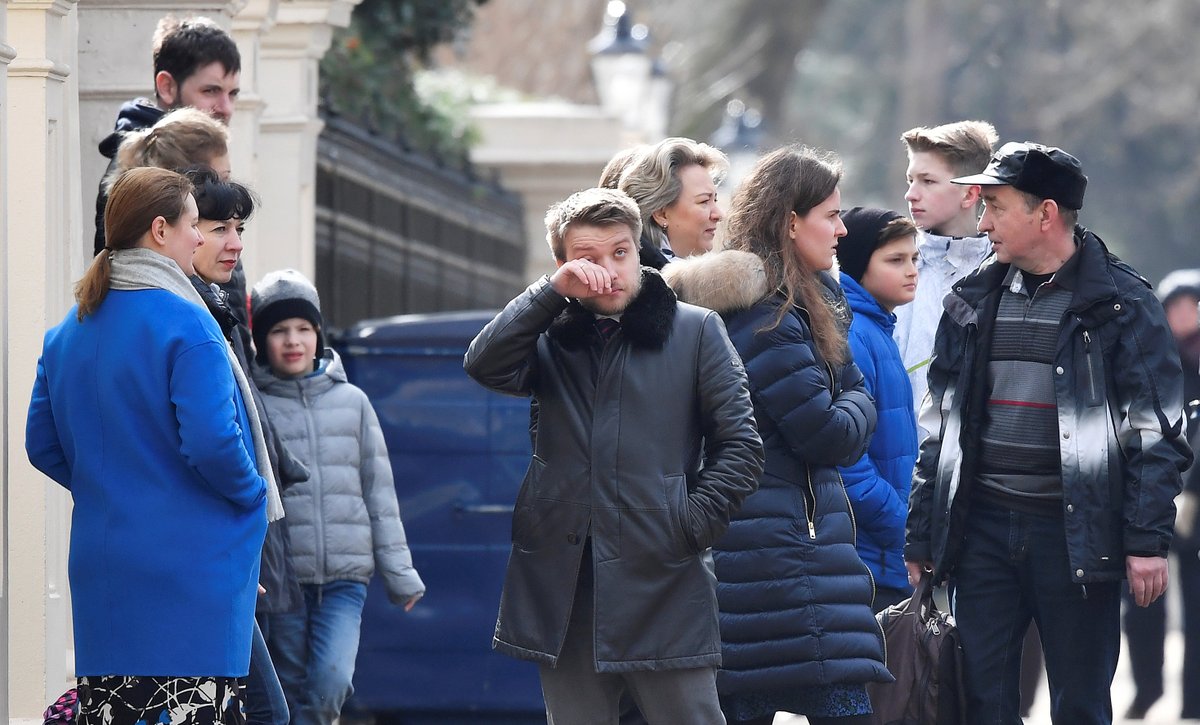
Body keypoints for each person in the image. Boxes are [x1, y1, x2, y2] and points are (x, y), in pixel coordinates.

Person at [904, 142, 1193, 724]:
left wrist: (1145, 540)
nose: (981, 222)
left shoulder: (1122, 304)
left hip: (1078, 537)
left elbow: (1157, 434)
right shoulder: (972, 300)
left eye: (995, 206)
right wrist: (922, 534)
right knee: (981, 701)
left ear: (1047, 213)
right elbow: (938, 429)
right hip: (980, 531)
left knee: (1081, 705)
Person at [463, 187, 763, 724]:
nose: (609, 270)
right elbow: (484, 364)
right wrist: (550, 293)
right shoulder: (552, 334)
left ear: (637, 250)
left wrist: (685, 526)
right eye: (588, 258)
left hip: (663, 577)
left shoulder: (695, 330)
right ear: (563, 264)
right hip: (564, 579)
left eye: (620, 253)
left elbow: (740, 446)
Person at [25, 166, 268, 724]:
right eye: (193, 226)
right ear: (160, 230)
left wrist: (112, 483)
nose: (201, 239)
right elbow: (212, 443)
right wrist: (254, 494)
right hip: (191, 568)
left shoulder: (68, 330)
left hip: (102, 568)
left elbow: (43, 444)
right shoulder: (190, 323)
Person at [663, 146, 891, 725]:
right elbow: (830, 435)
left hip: (776, 559)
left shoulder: (797, 304)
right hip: (783, 565)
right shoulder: (771, 317)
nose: (841, 229)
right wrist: (861, 393)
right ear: (791, 221)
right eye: (830, 215)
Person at [252, 269, 425, 725]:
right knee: (287, 687)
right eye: (279, 330)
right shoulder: (255, 405)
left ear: (318, 334)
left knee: (332, 681)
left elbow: (379, 492)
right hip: (284, 580)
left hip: (346, 579)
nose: (293, 340)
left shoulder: (353, 402)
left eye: (304, 329)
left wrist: (400, 573)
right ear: (261, 341)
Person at [186, 167, 305, 725]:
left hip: (209, 548)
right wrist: (236, 529)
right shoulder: (186, 316)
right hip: (199, 551)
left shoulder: (211, 303)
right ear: (176, 230)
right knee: (262, 710)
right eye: (217, 227)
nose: (235, 243)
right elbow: (210, 444)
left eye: (239, 227)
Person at [1121, 269, 1200, 720]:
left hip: (1197, 509)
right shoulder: (1153, 356)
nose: (1182, 315)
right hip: (1152, 498)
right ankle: (1146, 689)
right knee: (1143, 604)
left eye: (1191, 305)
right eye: (1175, 306)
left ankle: (1192, 700)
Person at [833, 207, 920, 612]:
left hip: (888, 557)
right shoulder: (855, 336)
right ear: (857, 264)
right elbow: (849, 463)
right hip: (872, 558)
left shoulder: (880, 329)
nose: (911, 270)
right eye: (895, 260)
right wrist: (904, 525)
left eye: (914, 258)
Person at [94, 15, 240, 256]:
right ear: (167, 87)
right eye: (210, 90)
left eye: (233, 93)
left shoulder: (204, 153)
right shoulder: (141, 174)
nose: (226, 107)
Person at [894, 120, 998, 418]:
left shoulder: (1005, 273)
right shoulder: (887, 267)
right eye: (909, 180)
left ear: (969, 194)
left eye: (927, 181)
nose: (911, 194)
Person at [618, 137, 729, 269]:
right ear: (661, 214)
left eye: (715, 200)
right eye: (704, 201)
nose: (719, 214)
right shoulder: (641, 284)